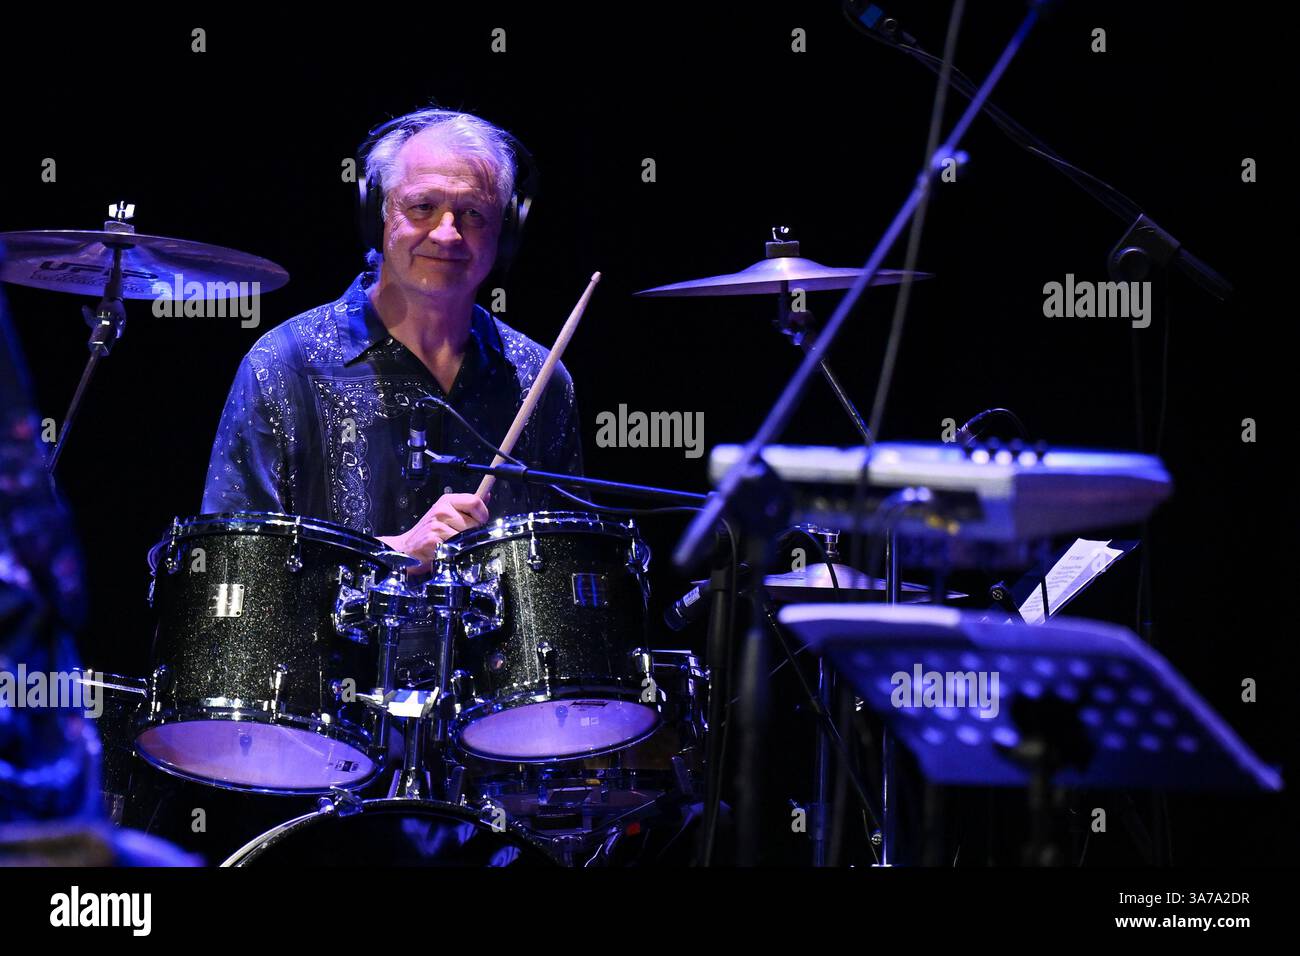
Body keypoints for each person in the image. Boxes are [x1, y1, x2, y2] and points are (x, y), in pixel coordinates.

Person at [202, 107, 583, 565]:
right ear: (377, 215)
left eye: (473, 214)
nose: (447, 233)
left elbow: (567, 572)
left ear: (506, 232)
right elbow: (231, 566)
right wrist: (394, 553)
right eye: (423, 206)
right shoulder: (283, 364)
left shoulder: (539, 379)